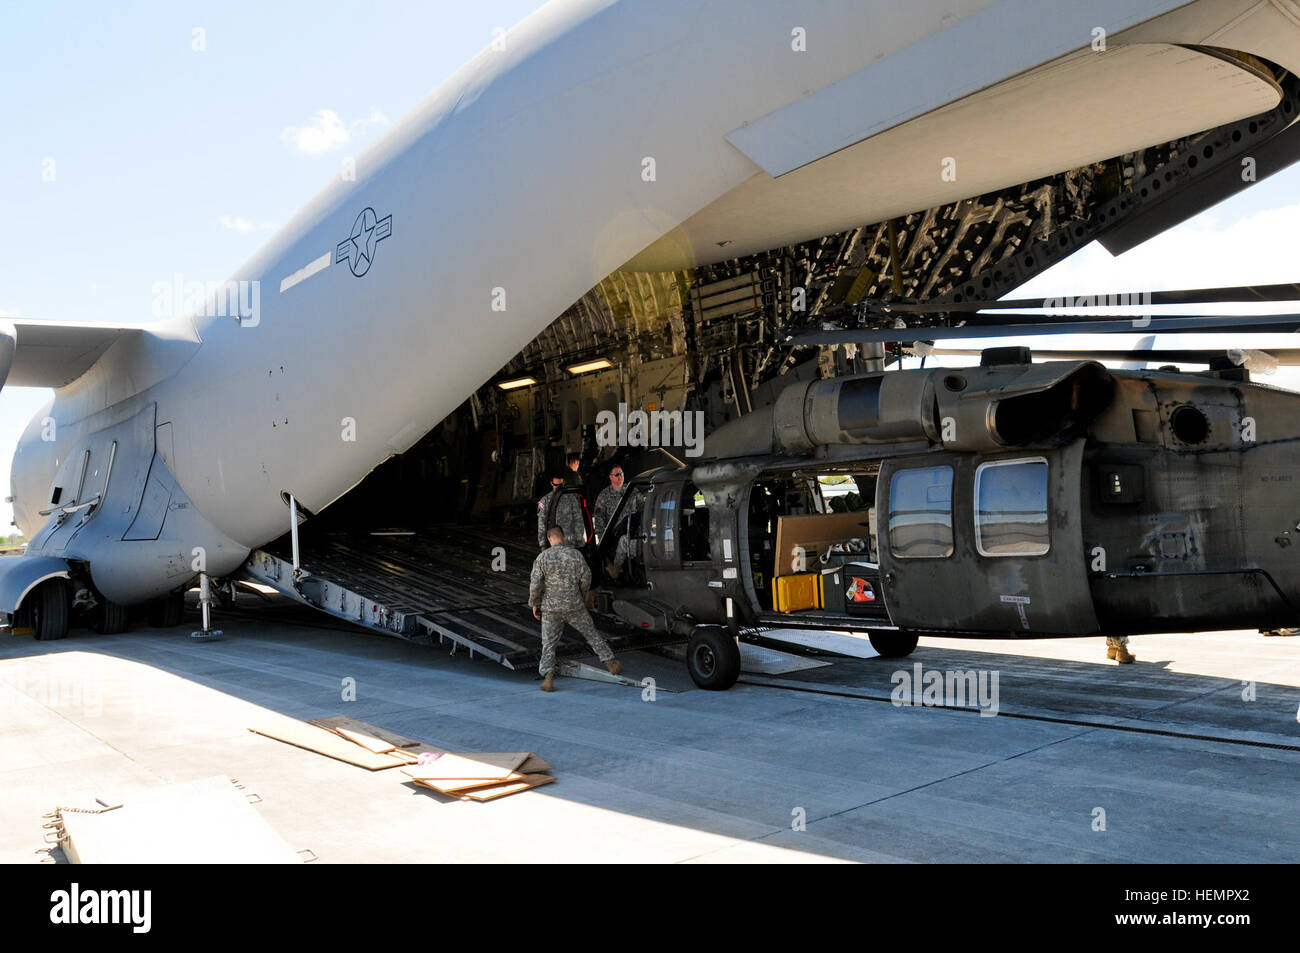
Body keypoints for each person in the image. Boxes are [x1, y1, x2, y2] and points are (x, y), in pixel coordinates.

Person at [530, 525, 621, 691]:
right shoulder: (575, 555)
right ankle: (610, 663)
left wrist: (534, 603)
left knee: (549, 643)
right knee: (591, 633)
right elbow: (587, 577)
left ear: (549, 539)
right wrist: (581, 595)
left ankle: (548, 678)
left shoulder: (543, 557)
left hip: (551, 608)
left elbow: (535, 583)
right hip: (574, 605)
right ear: (563, 537)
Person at [537, 472, 588, 548]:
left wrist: (578, 539)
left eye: (560, 485)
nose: (558, 488)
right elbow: (542, 523)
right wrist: (543, 544)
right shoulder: (545, 501)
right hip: (553, 544)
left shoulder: (571, 499)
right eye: (556, 485)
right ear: (551, 483)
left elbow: (578, 519)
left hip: (570, 543)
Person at [592, 464, 626, 541]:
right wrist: (602, 540)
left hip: (633, 537)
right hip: (614, 539)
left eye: (621, 474)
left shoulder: (632, 491)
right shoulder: (604, 495)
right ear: (611, 477)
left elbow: (643, 509)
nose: (620, 477)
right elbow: (599, 519)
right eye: (617, 475)